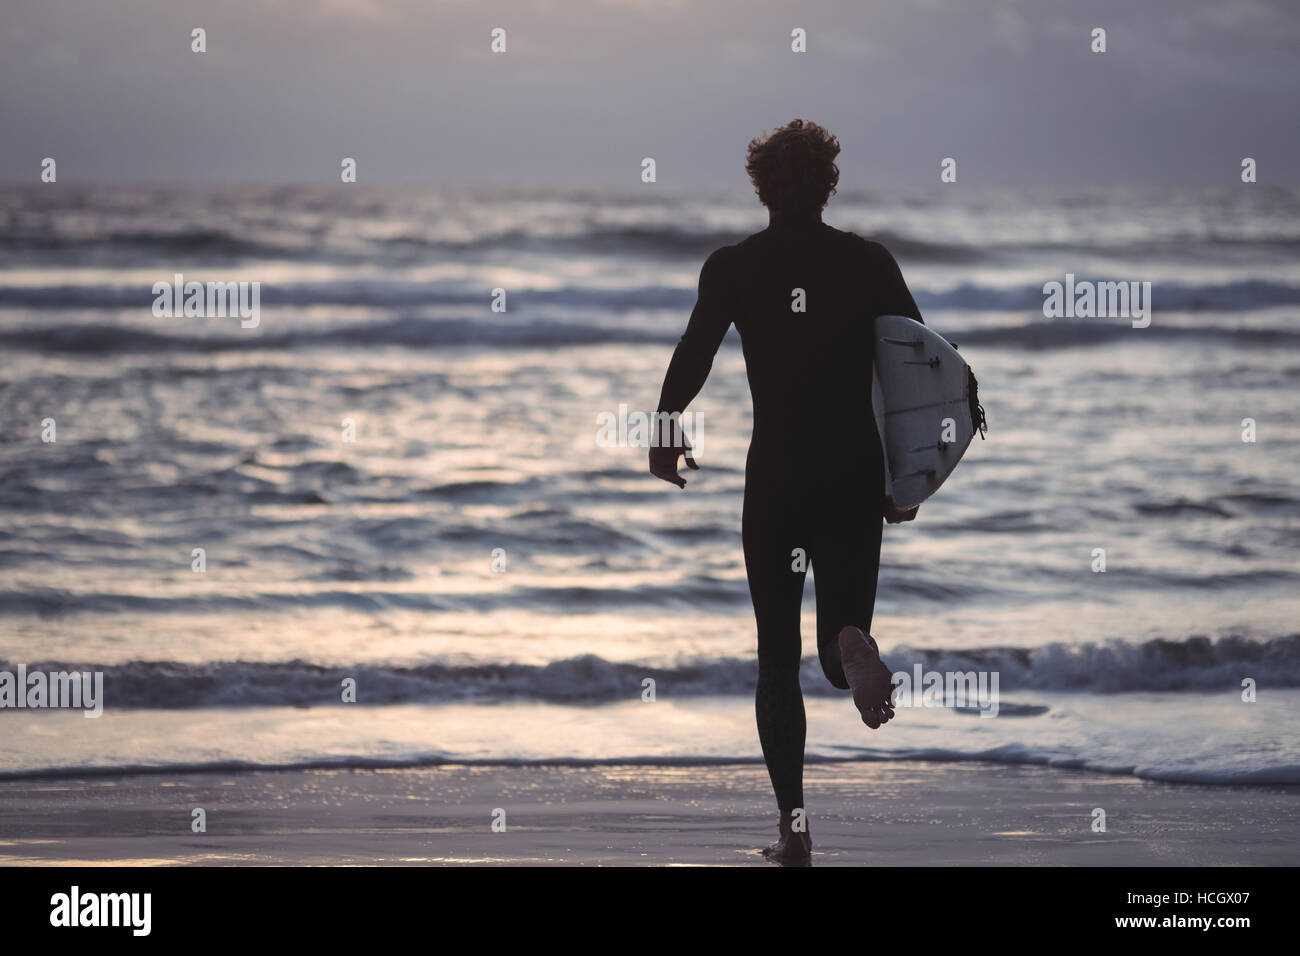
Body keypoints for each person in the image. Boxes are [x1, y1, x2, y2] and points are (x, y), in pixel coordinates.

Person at [649, 119, 926, 866]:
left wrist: (664, 428)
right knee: (835, 640)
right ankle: (850, 647)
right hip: (852, 471)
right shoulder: (868, 263)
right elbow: (916, 369)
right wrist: (911, 472)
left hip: (776, 474)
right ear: (829, 183)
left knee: (776, 659)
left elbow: (693, 352)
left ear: (761, 187)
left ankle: (794, 830)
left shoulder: (735, 266)